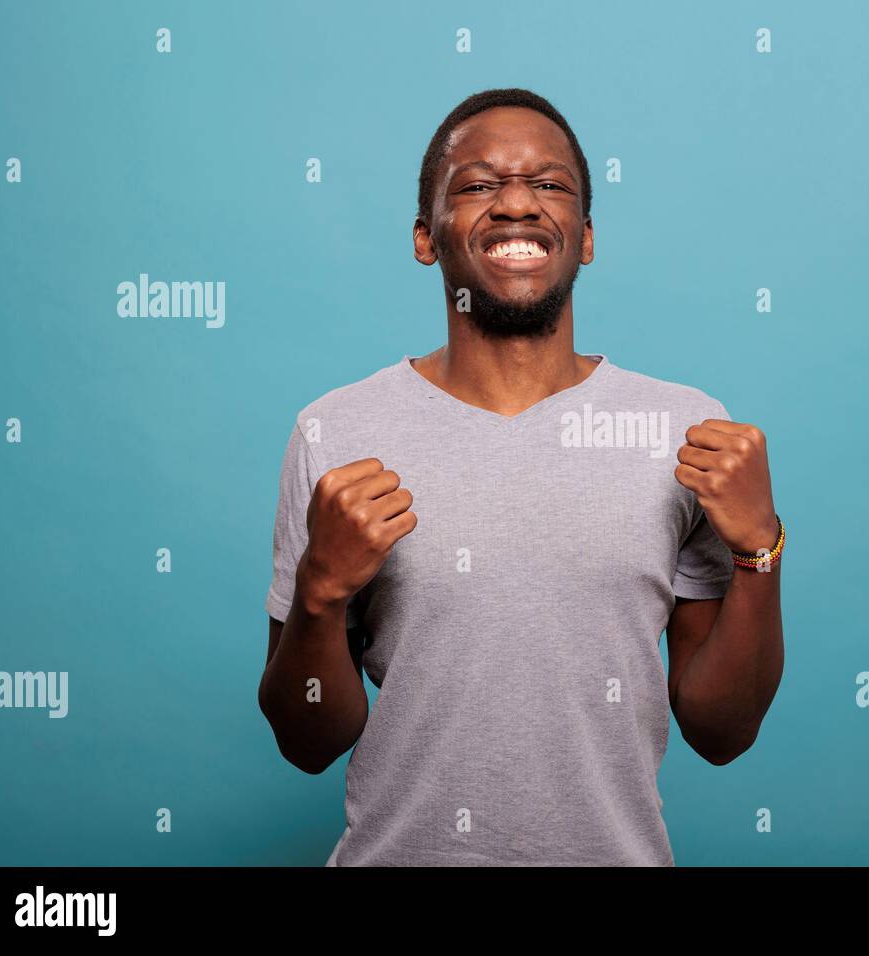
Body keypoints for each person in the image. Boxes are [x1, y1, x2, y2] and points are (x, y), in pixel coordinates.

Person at [258, 88, 785, 866]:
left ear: (587, 236)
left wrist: (760, 549)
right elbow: (306, 742)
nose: (516, 204)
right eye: (476, 185)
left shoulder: (685, 432)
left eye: (549, 185)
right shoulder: (335, 432)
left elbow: (723, 733)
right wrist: (320, 592)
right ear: (424, 237)